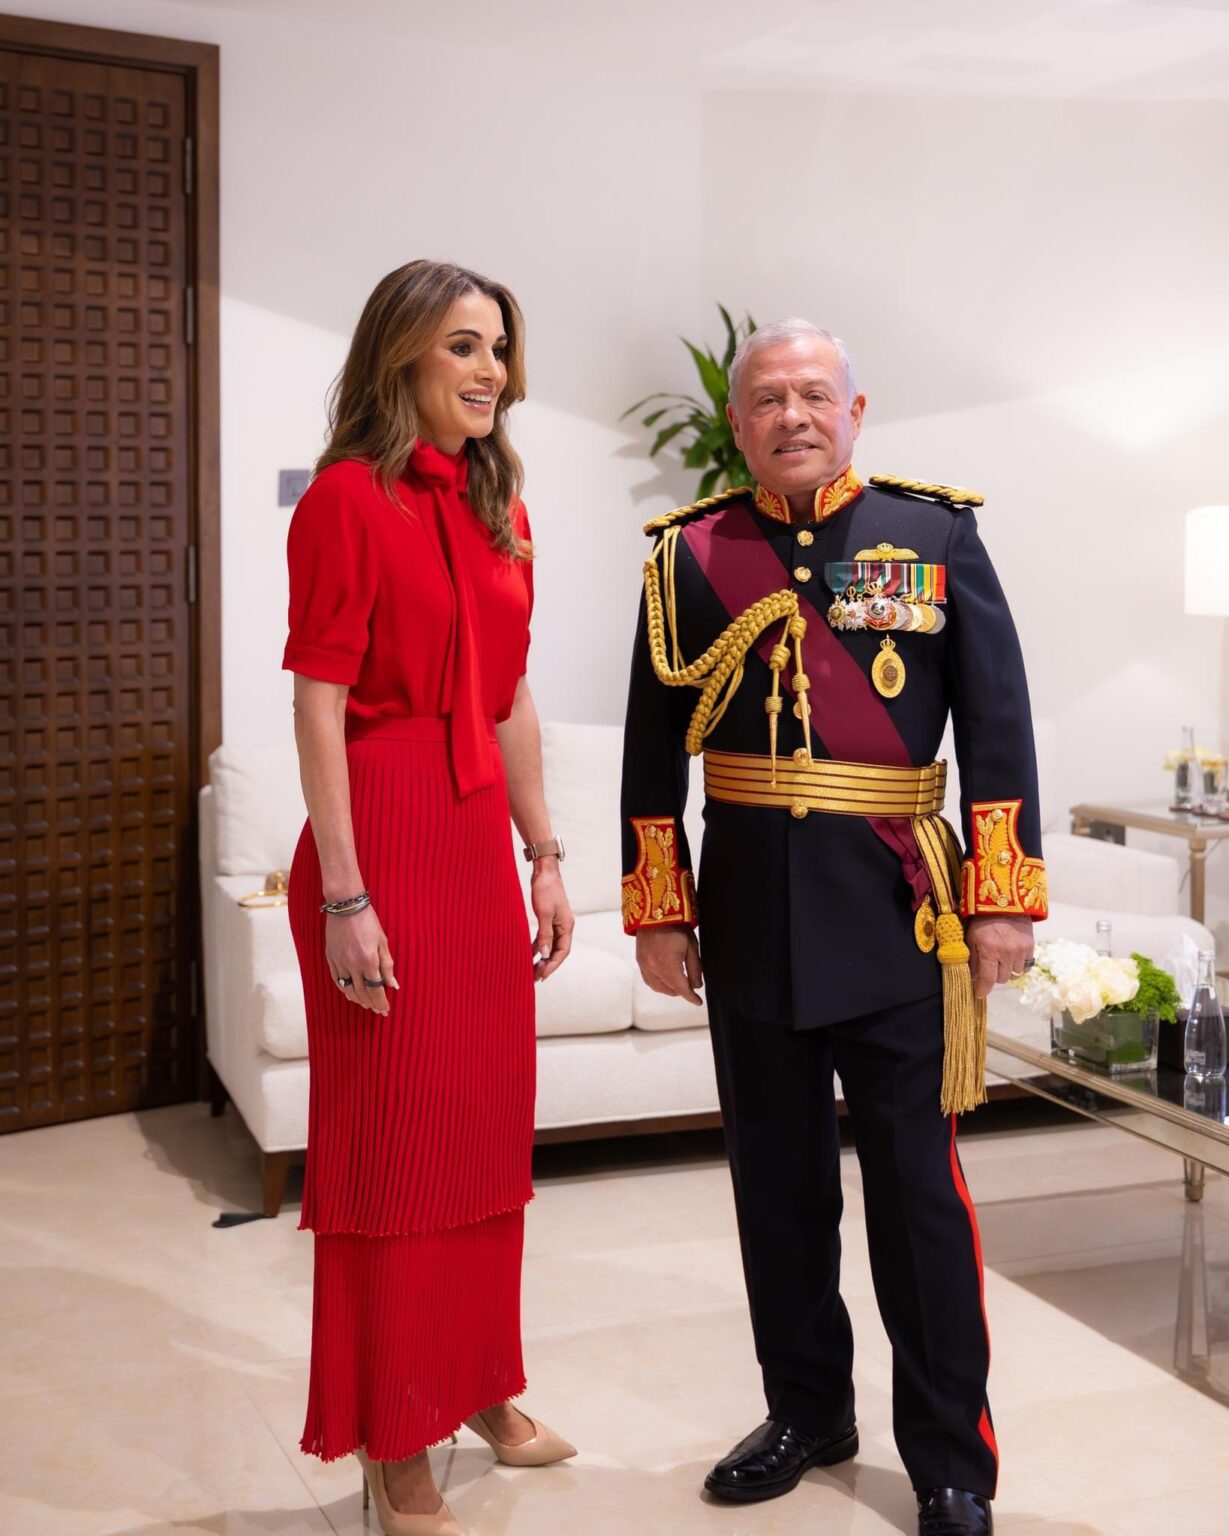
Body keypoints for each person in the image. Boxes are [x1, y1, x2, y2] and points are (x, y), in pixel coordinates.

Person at [620, 318, 1047, 1536]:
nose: (790, 416)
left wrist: (1001, 899)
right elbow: (654, 748)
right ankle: (808, 1410)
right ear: (737, 423)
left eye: (814, 395)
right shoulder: (689, 555)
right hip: (750, 910)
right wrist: (661, 912)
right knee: (776, 1187)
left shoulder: (929, 534)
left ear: (855, 410)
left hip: (900, 914)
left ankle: (950, 1462)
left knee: (917, 1199)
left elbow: (997, 726)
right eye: (766, 400)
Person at [284, 260, 576, 1536]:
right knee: (397, 1148)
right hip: (380, 842)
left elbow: (509, 696)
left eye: (498, 350)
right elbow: (319, 696)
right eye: (463, 347)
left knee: (482, 1135)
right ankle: (394, 1432)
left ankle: (478, 1386)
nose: (488, 373)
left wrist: (545, 852)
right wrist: (346, 893)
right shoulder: (347, 501)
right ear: (402, 355)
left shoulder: (501, 510)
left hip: (469, 847)